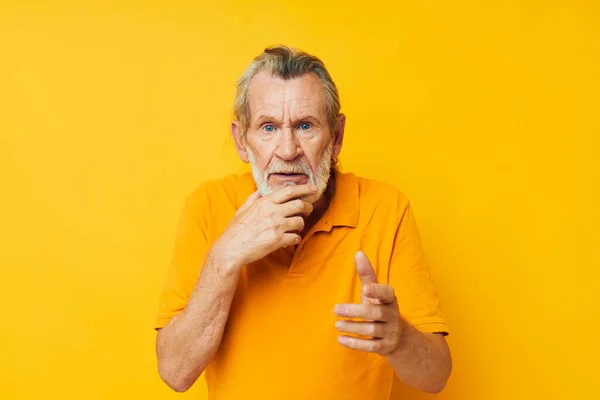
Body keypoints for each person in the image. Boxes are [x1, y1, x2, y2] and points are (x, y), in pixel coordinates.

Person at [154, 45, 452, 399]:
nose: (287, 150)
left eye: (305, 126)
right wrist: (226, 256)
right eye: (268, 127)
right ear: (241, 140)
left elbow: (435, 377)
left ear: (336, 136)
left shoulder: (386, 209)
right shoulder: (207, 206)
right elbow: (175, 372)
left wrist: (398, 337)